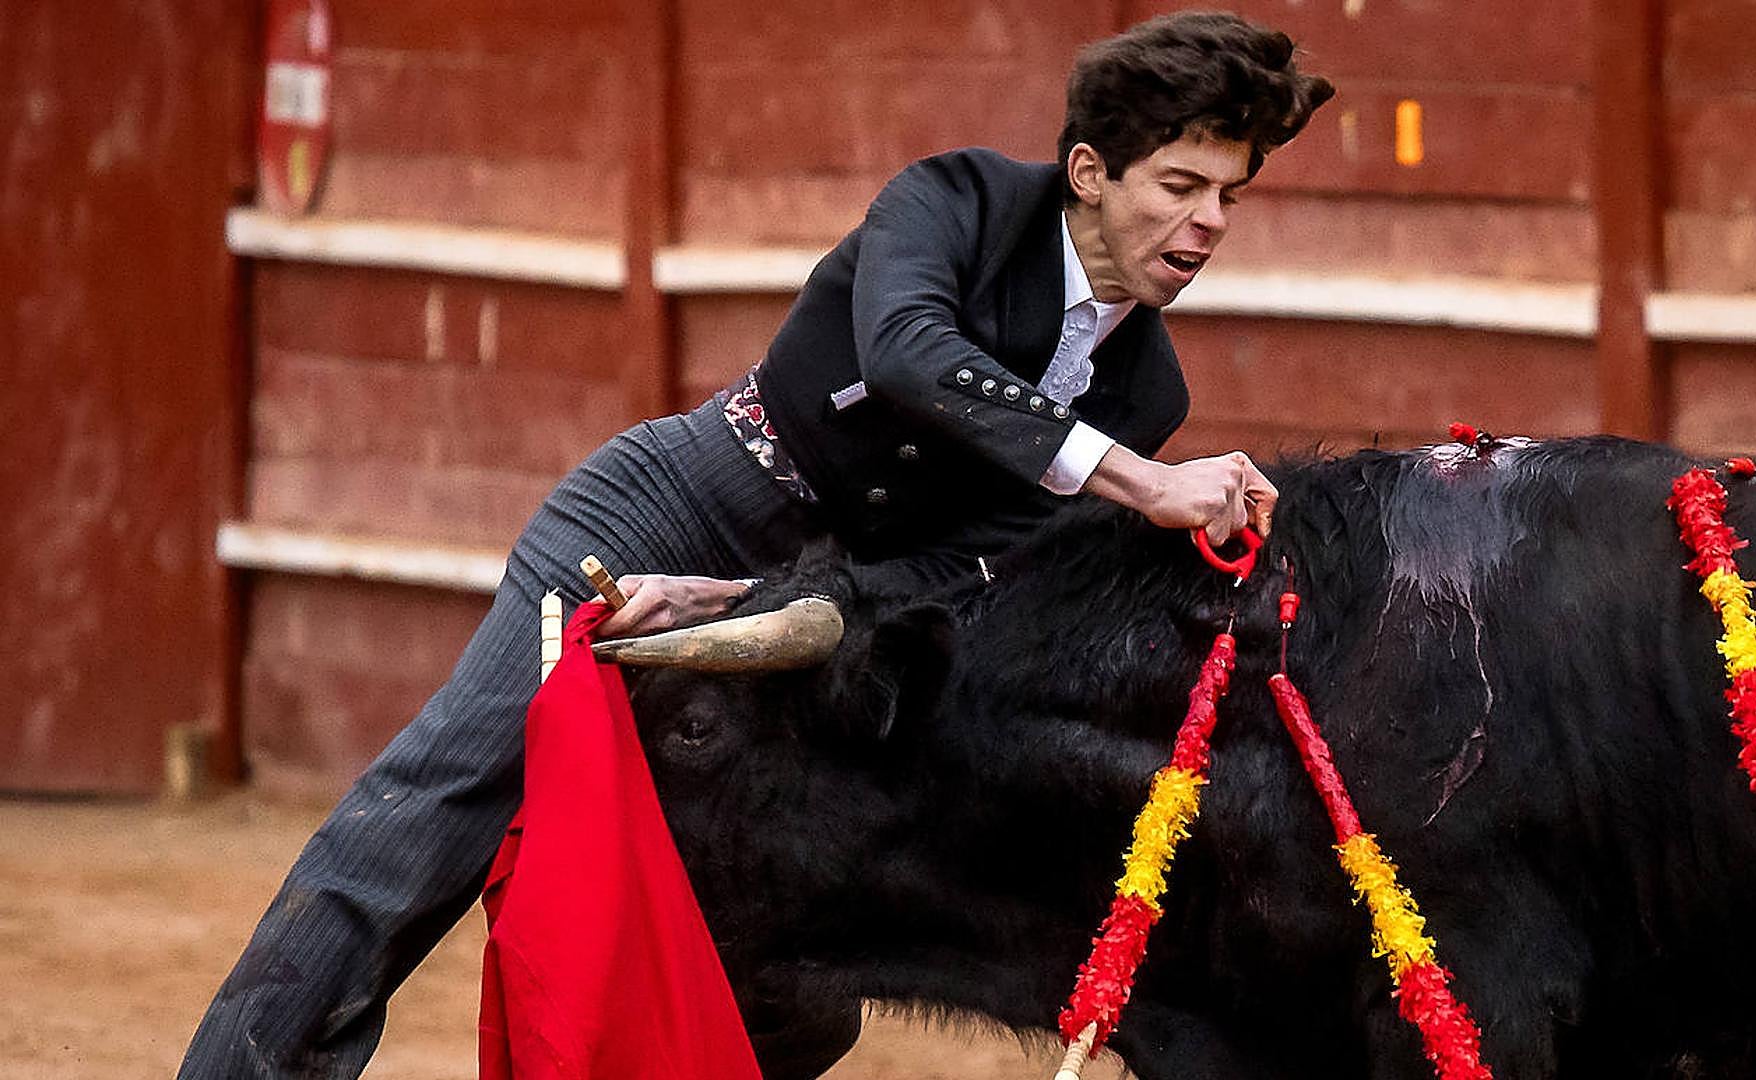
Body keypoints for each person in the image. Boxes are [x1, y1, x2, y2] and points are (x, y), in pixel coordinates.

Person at [180, 11, 1332, 1077]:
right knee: (440, 809)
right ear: (1091, 172)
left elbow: (967, 573)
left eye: (1228, 197)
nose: (1208, 225)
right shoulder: (958, 203)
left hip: (816, 612)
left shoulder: (1146, 384)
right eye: (1181, 186)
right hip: (662, 513)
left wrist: (742, 604)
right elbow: (909, 354)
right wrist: (1140, 484)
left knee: (790, 942)